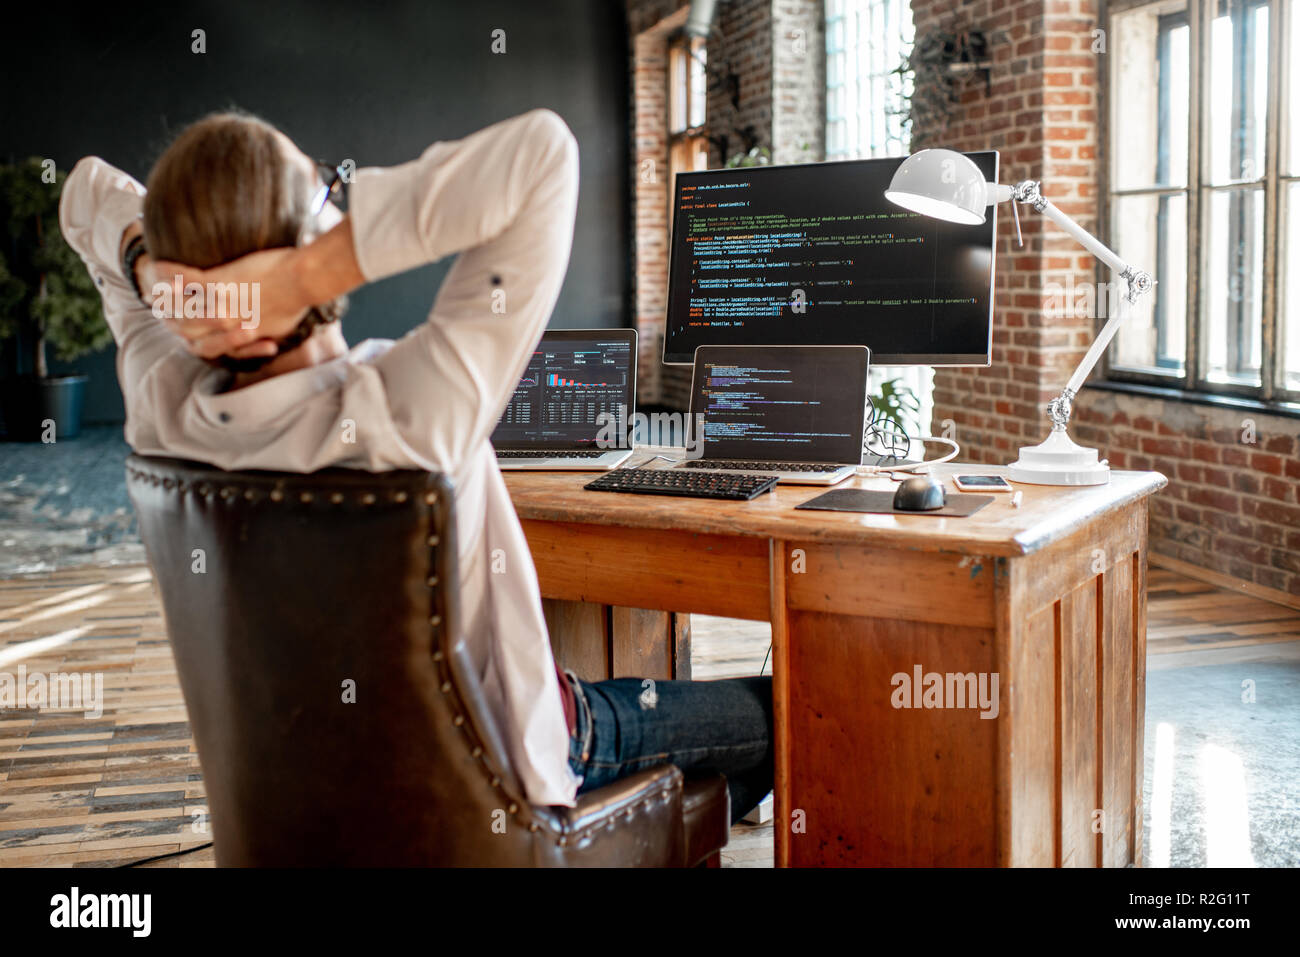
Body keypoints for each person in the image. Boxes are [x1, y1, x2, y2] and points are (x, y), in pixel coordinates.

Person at [60, 108, 772, 824]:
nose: (339, 205)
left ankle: (673, 824)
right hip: (508, 779)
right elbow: (544, 153)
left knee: (692, 776)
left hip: (308, 805)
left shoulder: (163, 401)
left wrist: (155, 275)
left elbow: (85, 192)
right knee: (781, 715)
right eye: (326, 194)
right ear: (307, 239)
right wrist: (302, 275)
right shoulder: (411, 409)